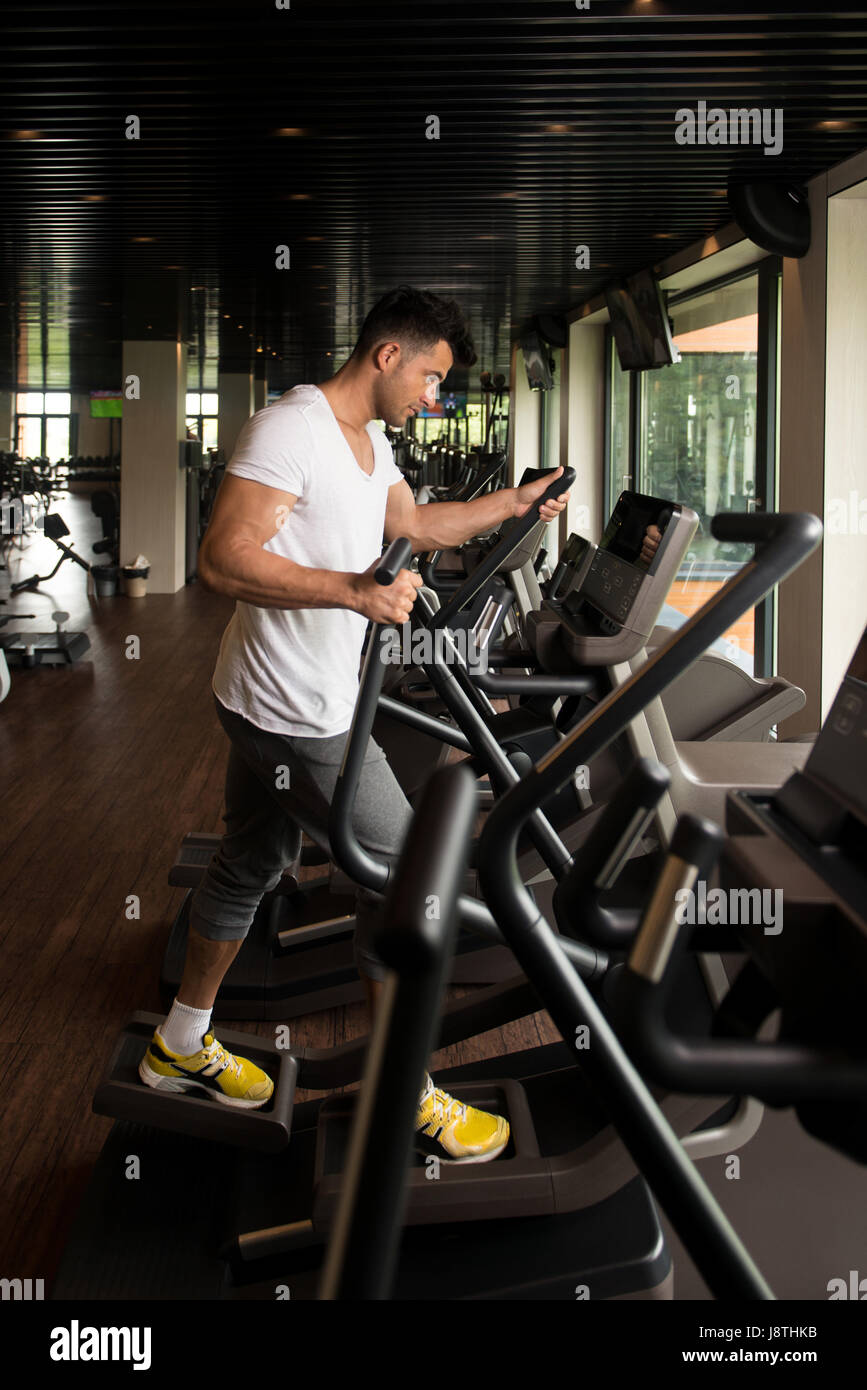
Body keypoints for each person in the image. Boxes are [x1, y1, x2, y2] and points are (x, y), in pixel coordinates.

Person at [139, 285, 570, 1163]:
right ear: (386, 355)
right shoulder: (289, 430)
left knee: (253, 859)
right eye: (431, 378)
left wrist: (512, 506)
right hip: (298, 711)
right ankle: (399, 1093)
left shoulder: (368, 443)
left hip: (275, 697)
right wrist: (355, 592)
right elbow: (222, 557)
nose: (433, 398)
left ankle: (177, 1045)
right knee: (409, 880)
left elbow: (414, 523)